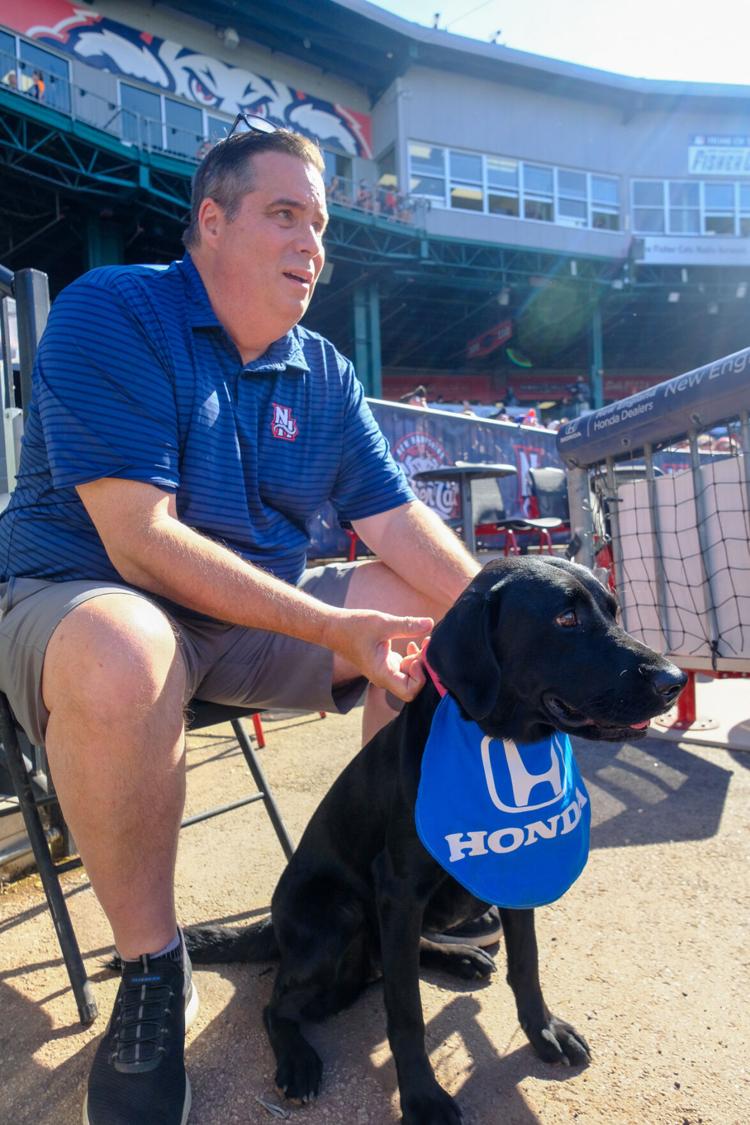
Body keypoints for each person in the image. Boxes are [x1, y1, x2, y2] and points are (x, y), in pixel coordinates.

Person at [0, 120, 482, 1124]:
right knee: (125, 651)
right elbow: (139, 544)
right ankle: (151, 970)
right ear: (209, 223)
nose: (312, 242)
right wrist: (326, 628)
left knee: (437, 625)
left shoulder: (322, 370)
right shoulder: (115, 310)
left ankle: (370, 901)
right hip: (83, 596)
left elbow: (395, 521)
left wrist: (509, 619)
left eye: (320, 223)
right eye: (284, 214)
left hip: (242, 622)